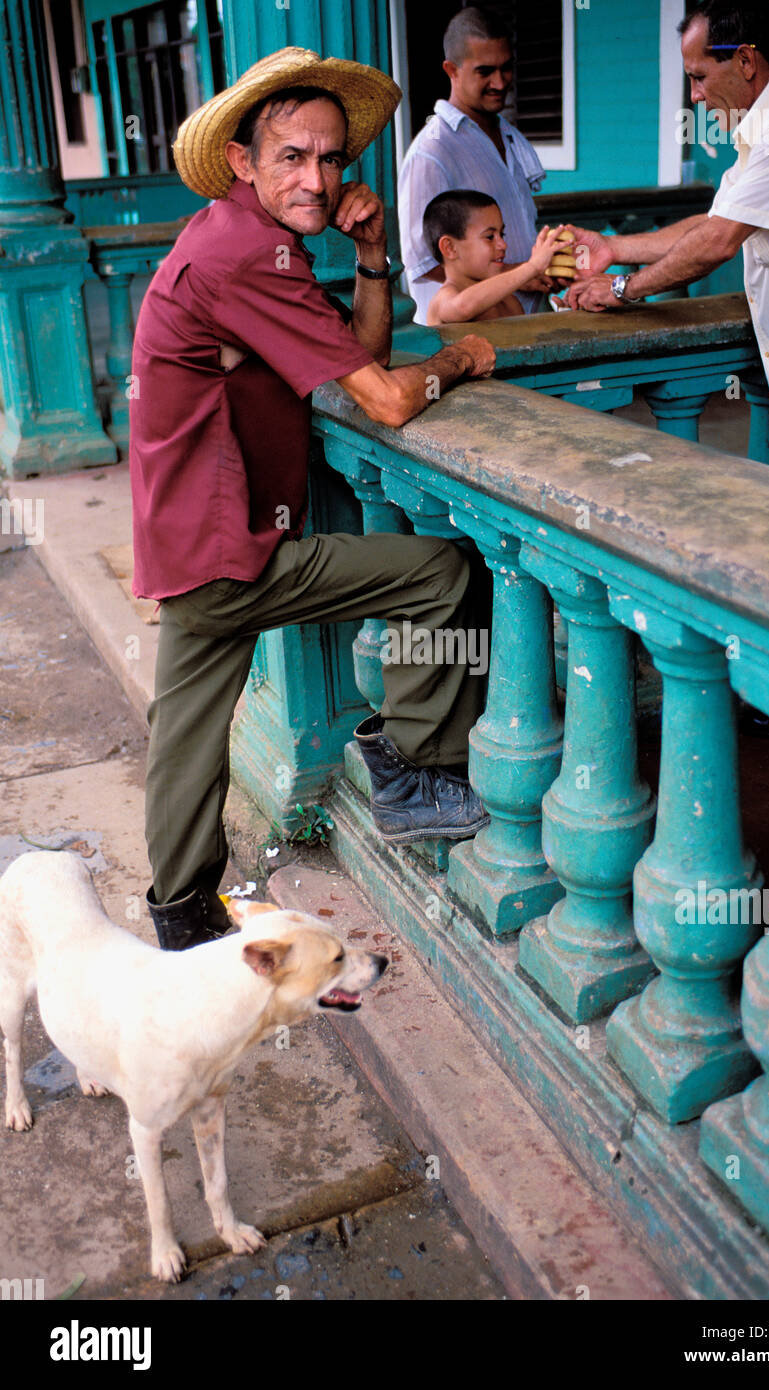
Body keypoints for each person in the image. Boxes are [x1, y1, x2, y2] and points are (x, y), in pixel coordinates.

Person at [130, 48, 498, 951]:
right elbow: (384, 396)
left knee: (184, 734)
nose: (317, 177)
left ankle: (180, 915)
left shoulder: (244, 241)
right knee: (442, 573)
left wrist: (371, 256)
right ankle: (411, 766)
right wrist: (458, 358)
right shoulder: (247, 254)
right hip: (230, 547)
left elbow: (350, 355)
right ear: (242, 163)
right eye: (291, 156)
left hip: (179, 539)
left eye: (331, 158)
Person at [566, 0, 769, 491]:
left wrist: (623, 289)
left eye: (700, 77)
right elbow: (712, 222)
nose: (696, 96)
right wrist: (612, 248)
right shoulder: (768, 126)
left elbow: (717, 243)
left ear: (746, 61)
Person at [399, 6, 574, 324]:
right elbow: (426, 264)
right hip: (467, 341)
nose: (500, 82)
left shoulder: (508, 135)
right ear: (451, 70)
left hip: (524, 320)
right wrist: (524, 273)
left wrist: (543, 269)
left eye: (506, 68)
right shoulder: (432, 151)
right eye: (485, 71)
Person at [423, 190, 567, 324]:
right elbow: (464, 307)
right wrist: (532, 267)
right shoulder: (443, 300)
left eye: (502, 234)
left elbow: (527, 343)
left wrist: (559, 320)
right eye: (490, 237)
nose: (503, 245)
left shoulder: (509, 302)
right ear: (450, 248)